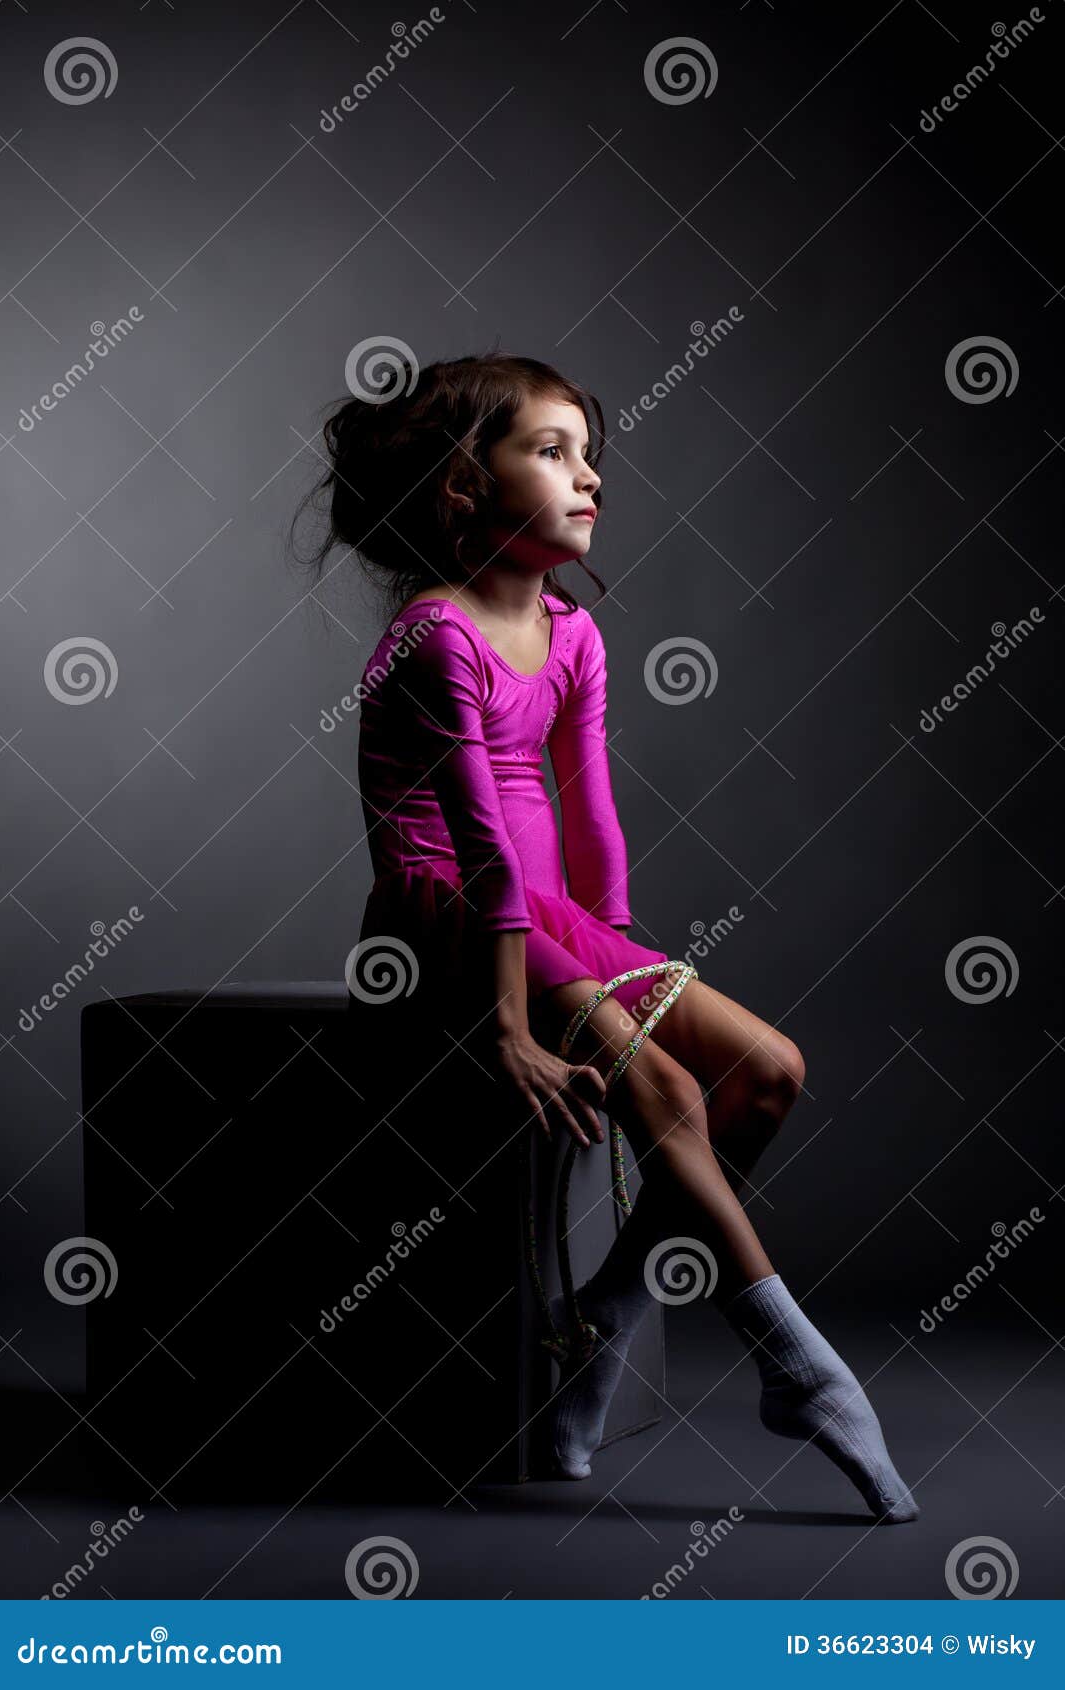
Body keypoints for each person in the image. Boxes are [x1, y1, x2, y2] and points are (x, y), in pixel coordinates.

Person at [291, 349, 918, 1523]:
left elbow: (591, 817)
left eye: (590, 455)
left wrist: (619, 959)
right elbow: (477, 852)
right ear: (461, 489)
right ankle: (798, 1365)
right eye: (550, 452)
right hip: (447, 919)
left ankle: (609, 1314)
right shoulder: (435, 638)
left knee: (769, 1072)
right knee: (672, 1094)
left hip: (553, 917)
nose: (589, 481)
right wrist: (511, 1024)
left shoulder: (573, 634)